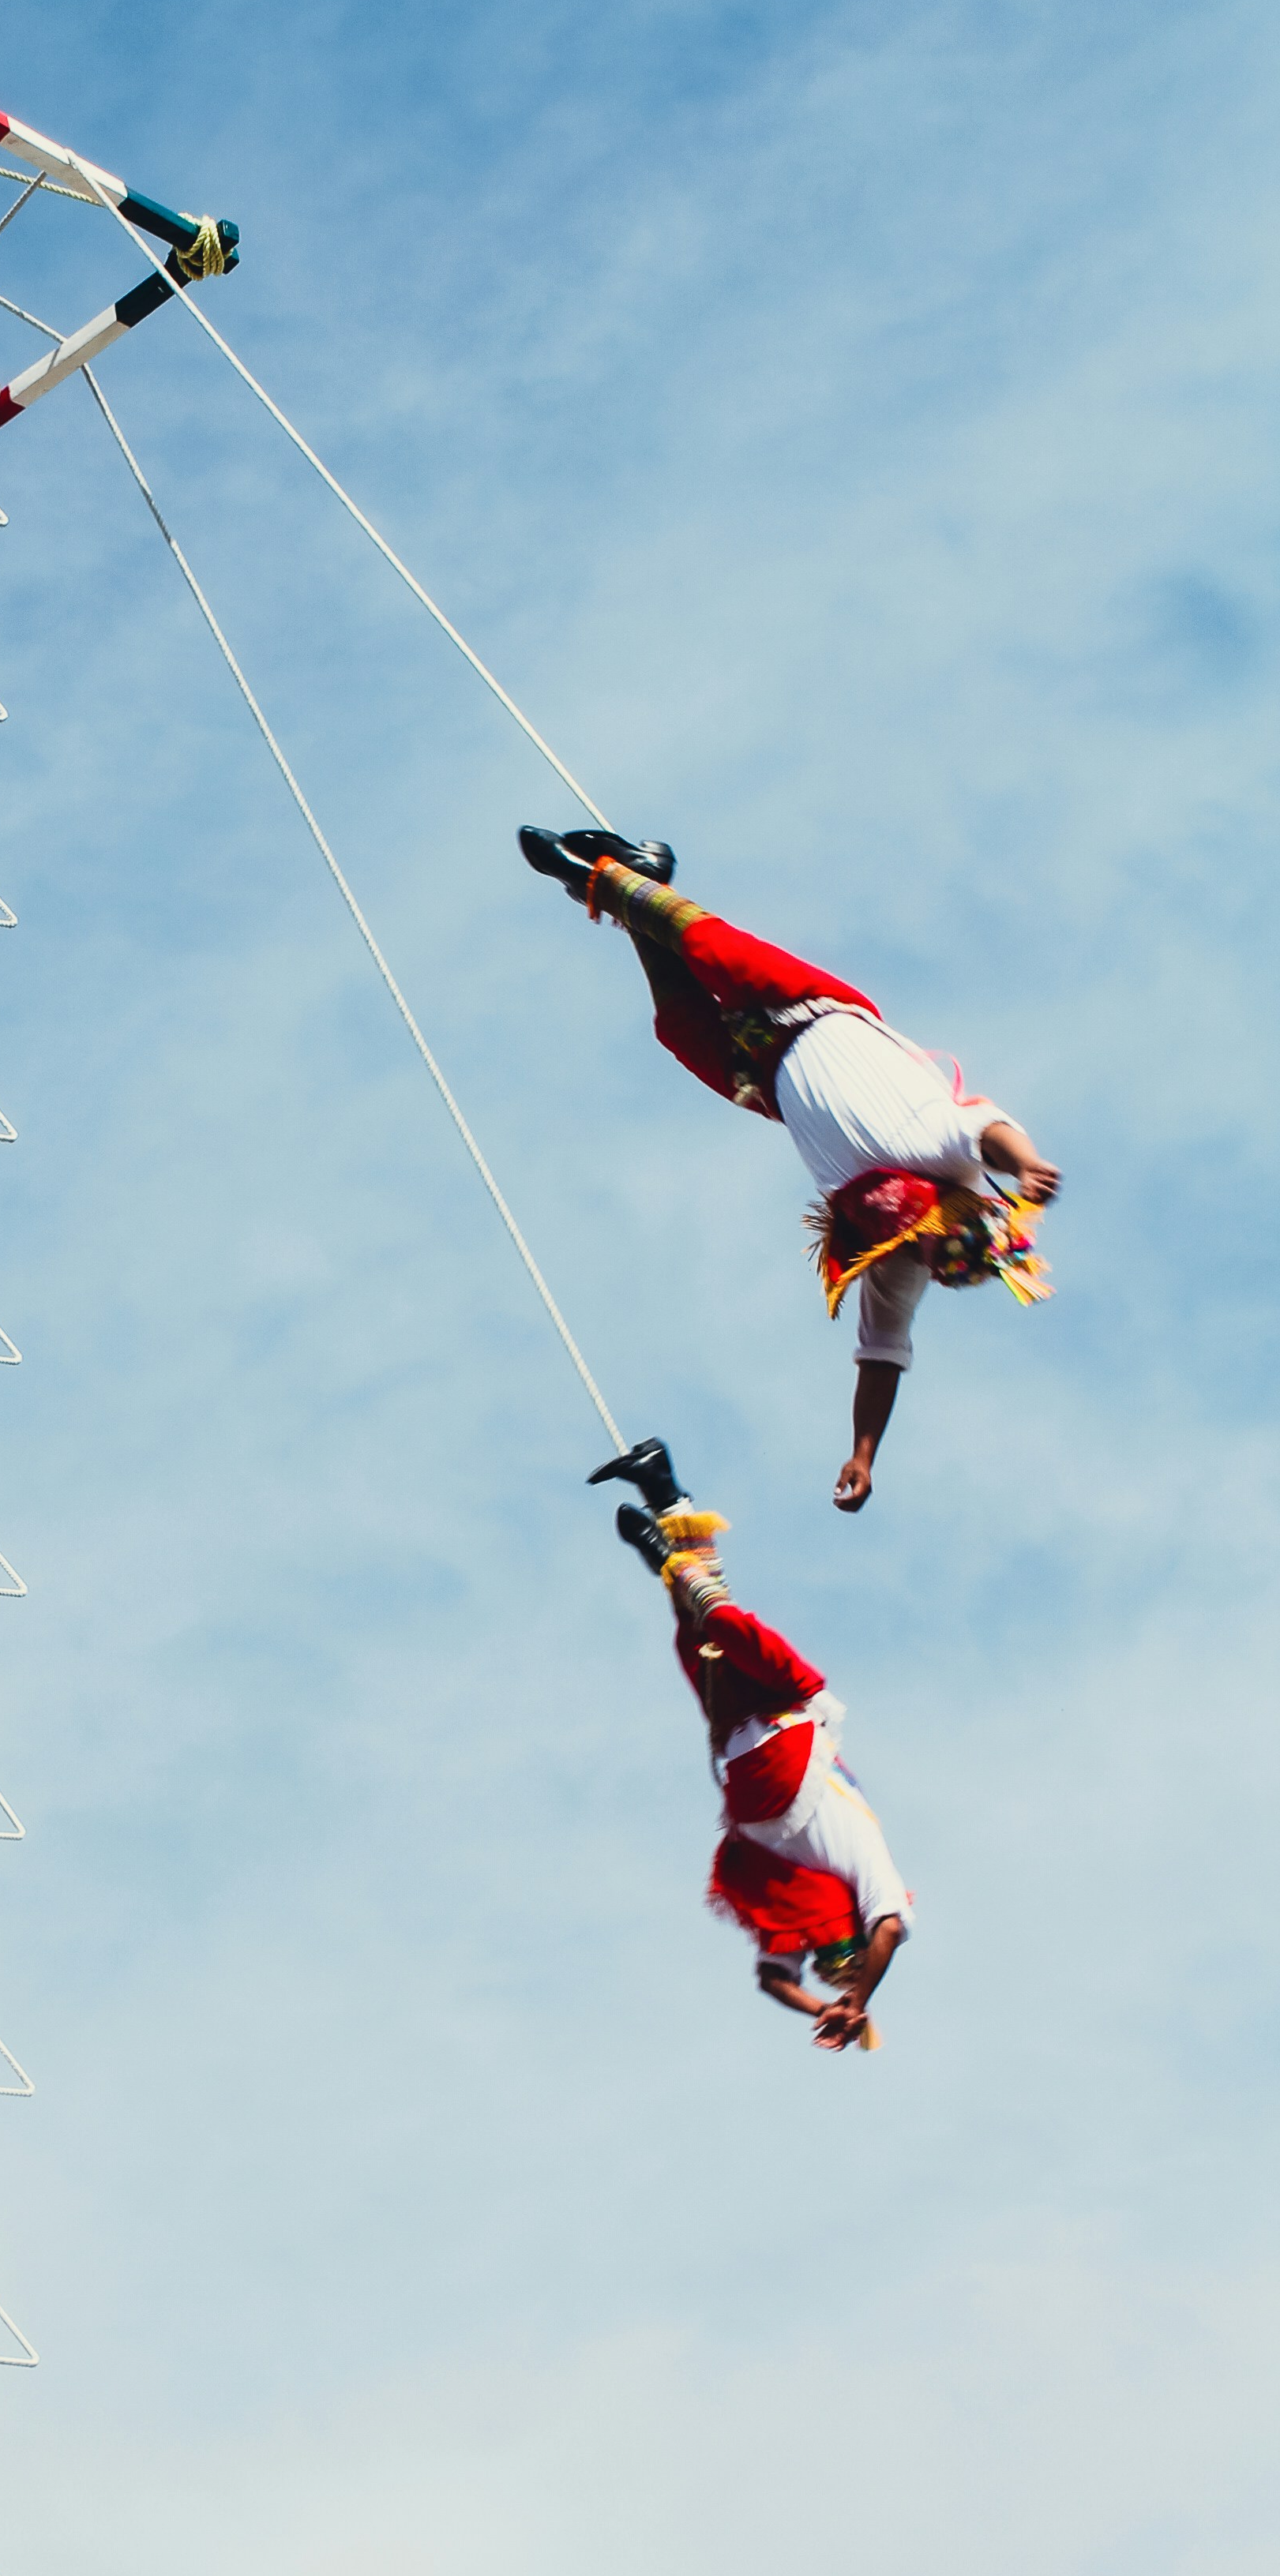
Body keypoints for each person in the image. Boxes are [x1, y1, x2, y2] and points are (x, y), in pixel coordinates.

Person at [520, 827, 1057, 1509]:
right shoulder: (944, 1152)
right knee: (711, 950)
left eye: (921, 1248)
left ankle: (636, 882)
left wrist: (864, 1453)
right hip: (811, 1008)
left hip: (765, 1079)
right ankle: (599, 878)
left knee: (682, 1028)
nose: (912, 1237)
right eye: (926, 1231)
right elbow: (990, 1130)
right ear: (957, 1205)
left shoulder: (898, 1261)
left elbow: (883, 1356)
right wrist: (1029, 1166)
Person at [593, 1437, 912, 2046]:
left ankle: (663, 1488)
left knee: (698, 1631)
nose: (819, 1939)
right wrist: (857, 2000)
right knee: (718, 1621)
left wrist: (824, 2005)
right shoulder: (864, 1869)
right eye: (833, 1945)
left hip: (745, 1746)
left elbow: (772, 1978)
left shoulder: (796, 1901)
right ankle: (666, 1551)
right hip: (787, 1719)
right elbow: (890, 1929)